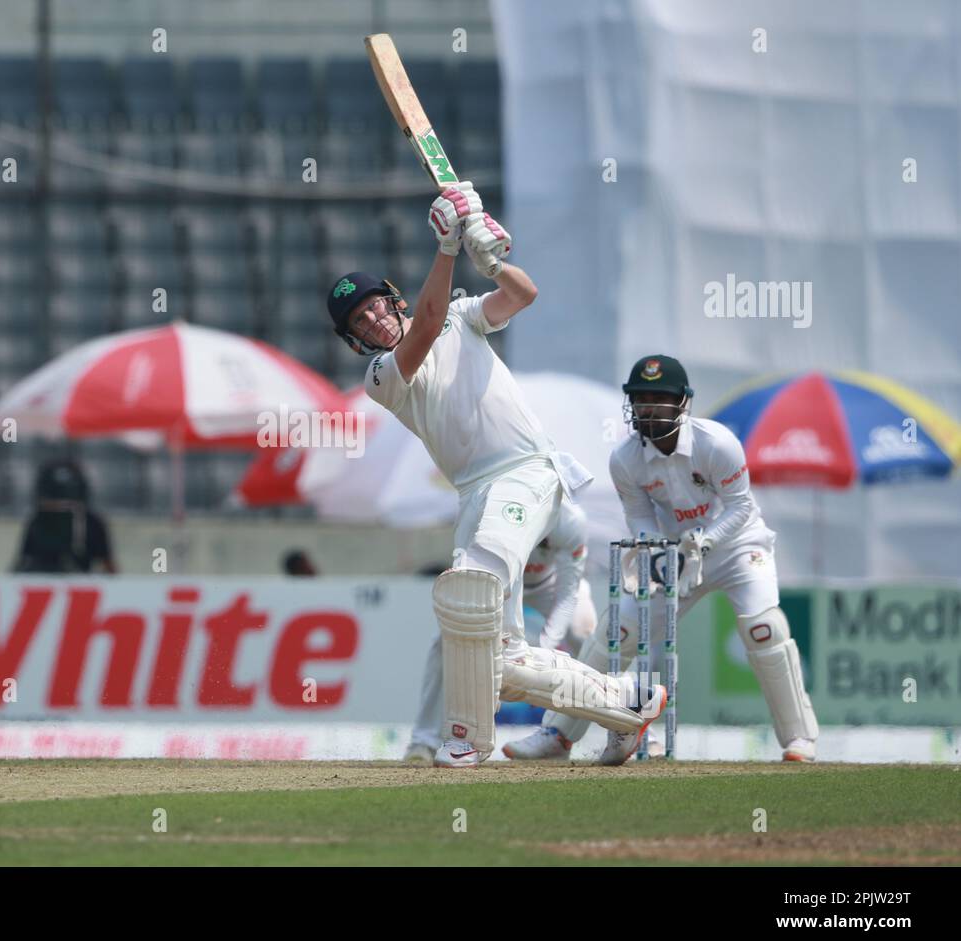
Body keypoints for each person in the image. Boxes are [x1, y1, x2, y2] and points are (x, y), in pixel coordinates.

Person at [328, 181, 667, 768]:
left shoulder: (463, 314)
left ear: (393, 299)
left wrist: (490, 258)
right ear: (355, 341)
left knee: (473, 588)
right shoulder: (383, 376)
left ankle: (462, 740)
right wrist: (447, 246)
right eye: (361, 321)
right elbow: (428, 323)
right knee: (486, 641)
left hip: (525, 472)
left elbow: (523, 295)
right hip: (475, 494)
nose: (375, 320)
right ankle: (626, 704)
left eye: (378, 305)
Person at [508, 355, 819, 764]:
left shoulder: (717, 443)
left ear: (683, 403)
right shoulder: (625, 459)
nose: (649, 408)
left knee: (764, 629)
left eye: (660, 398)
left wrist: (705, 542)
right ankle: (557, 735)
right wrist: (658, 547)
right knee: (615, 632)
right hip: (674, 557)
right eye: (641, 399)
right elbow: (638, 516)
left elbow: (740, 507)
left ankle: (800, 740)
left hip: (738, 548)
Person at [404, 498, 599, 764]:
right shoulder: (492, 506)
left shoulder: (571, 520)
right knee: (446, 640)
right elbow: (469, 564)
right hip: (498, 584)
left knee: (586, 635)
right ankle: (423, 742)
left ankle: (614, 726)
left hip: (550, 586)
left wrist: (547, 648)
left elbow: (567, 598)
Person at [13, 459, 115, 574]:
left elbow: (108, 566)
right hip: (42, 578)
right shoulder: (37, 521)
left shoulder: (92, 523)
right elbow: (24, 560)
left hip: (80, 582)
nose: (61, 508)